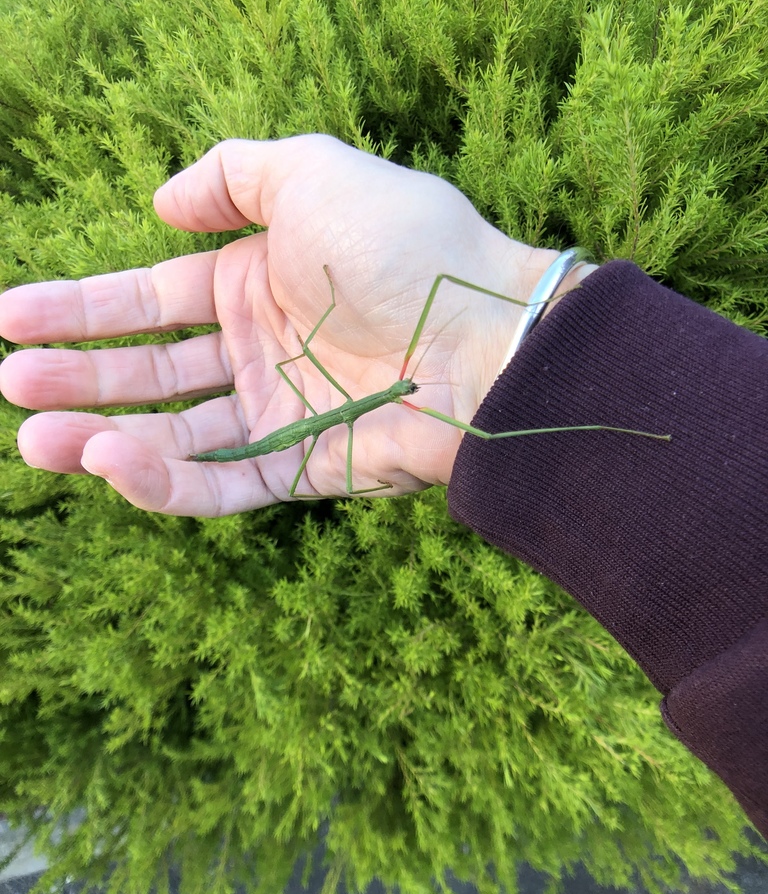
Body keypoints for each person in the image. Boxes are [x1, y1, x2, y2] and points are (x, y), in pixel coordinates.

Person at [0, 135, 766, 839]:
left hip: (297, 421)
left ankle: (613, 420)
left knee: (484, 429)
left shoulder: (380, 378)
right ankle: (617, 425)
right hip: (276, 432)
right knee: (469, 436)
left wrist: (489, 329)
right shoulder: (315, 400)